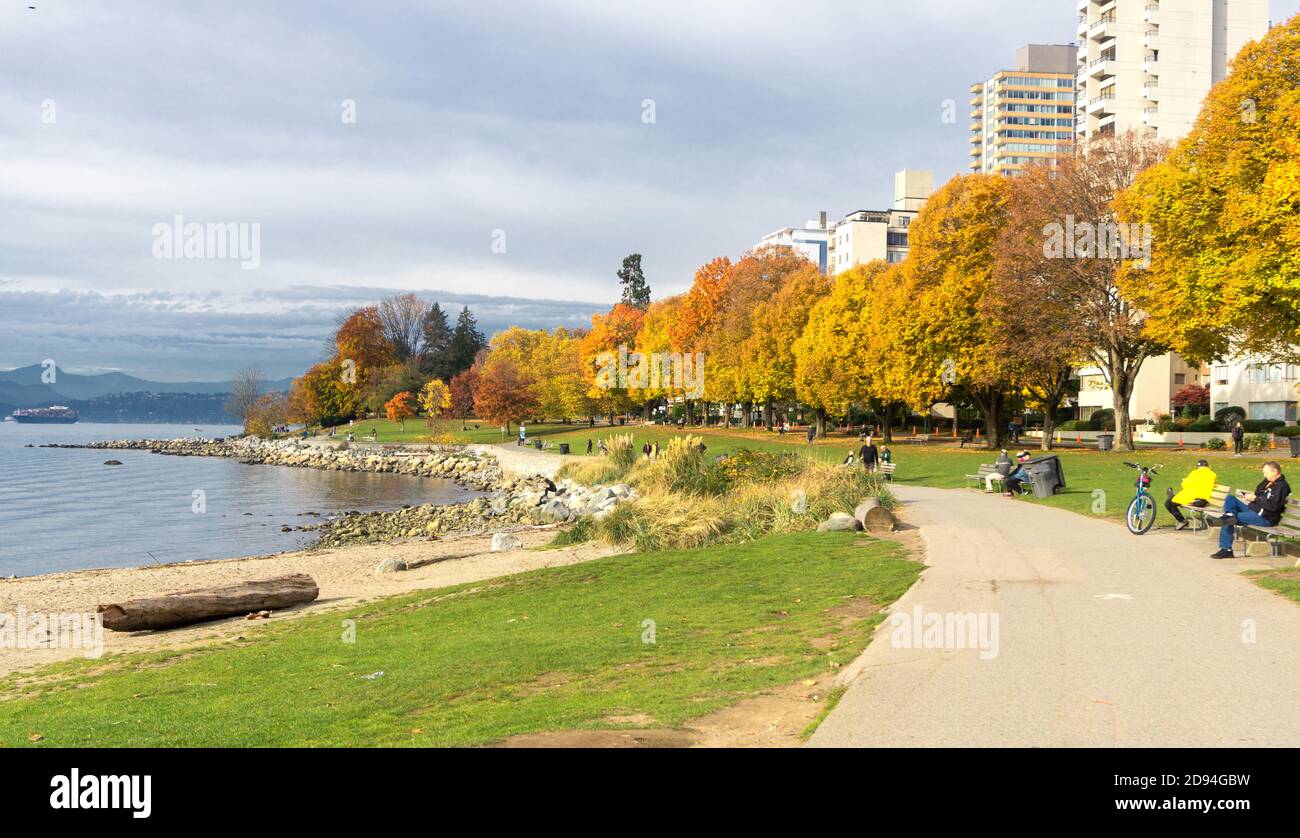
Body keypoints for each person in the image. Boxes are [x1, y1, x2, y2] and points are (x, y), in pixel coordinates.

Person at [1208, 461, 1291, 559]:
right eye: (1264, 473)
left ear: (1275, 472)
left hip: (1264, 518)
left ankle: (1226, 550)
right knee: (1230, 499)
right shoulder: (1270, 482)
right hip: (1253, 511)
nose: (1264, 475)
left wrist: (1256, 499)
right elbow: (1258, 492)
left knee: (1227, 519)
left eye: (1266, 473)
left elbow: (1273, 506)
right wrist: (1265, 483)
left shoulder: (1281, 487)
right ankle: (1230, 514)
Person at [1166, 458, 1217, 530]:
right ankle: (1171, 497)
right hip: (1204, 500)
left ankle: (1182, 521)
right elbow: (1213, 484)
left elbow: (1184, 485)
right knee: (1171, 501)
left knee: (1169, 503)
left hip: (1193, 499)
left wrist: (1184, 481)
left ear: (1198, 467)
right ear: (1207, 466)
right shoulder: (1213, 474)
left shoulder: (1194, 473)